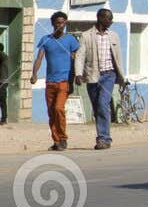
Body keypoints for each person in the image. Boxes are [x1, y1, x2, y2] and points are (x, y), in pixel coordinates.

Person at [76, 8, 127, 150]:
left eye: (111, 18)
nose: (111, 21)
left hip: (109, 75)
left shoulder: (114, 36)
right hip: (92, 75)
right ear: (100, 18)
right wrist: (78, 74)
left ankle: (104, 138)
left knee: (103, 103)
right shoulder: (86, 36)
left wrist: (121, 76)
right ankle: (103, 137)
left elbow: (118, 57)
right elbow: (80, 55)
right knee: (97, 107)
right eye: (108, 18)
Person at [30, 12, 78, 151]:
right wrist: (34, 74)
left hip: (64, 81)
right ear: (52, 24)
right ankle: (56, 141)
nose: (60, 25)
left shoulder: (71, 40)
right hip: (50, 82)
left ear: (65, 24)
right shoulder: (46, 39)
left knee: (59, 108)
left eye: (63, 23)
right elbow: (39, 58)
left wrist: (74, 78)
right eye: (58, 22)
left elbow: (75, 59)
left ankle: (63, 138)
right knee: (51, 112)